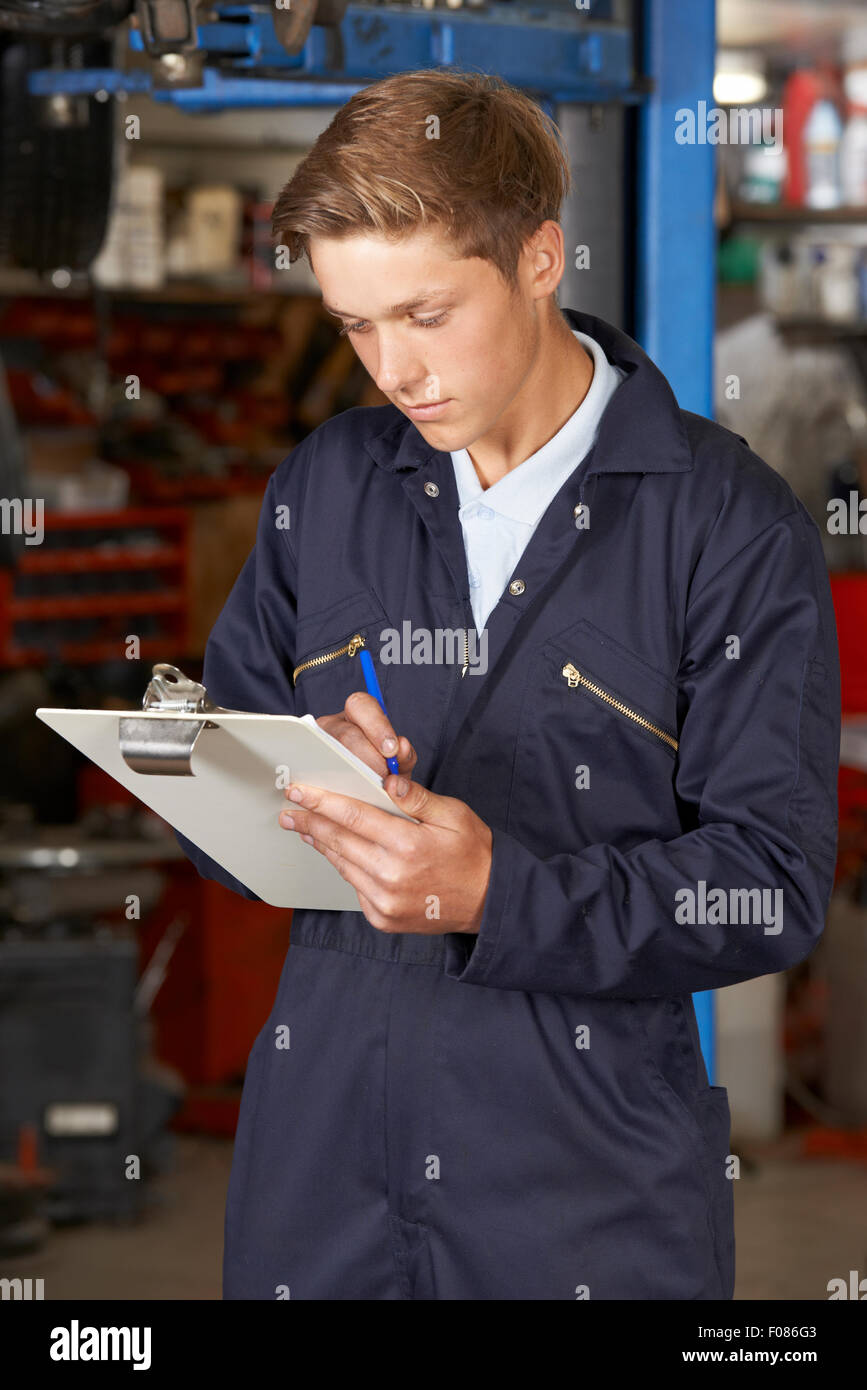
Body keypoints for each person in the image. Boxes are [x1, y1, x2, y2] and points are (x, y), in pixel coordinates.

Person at [175, 69, 841, 1300]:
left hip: (580, 1189)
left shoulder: (725, 526)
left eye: (426, 313)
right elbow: (224, 791)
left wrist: (501, 891)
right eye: (356, 326)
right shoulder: (326, 486)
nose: (392, 368)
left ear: (541, 258)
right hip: (318, 1176)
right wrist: (301, 779)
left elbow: (774, 885)